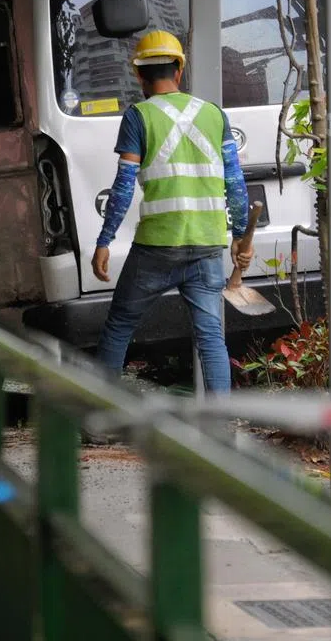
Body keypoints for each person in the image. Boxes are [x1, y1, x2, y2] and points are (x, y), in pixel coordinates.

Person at [90, 30, 252, 394]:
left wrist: (105, 239)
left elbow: (123, 185)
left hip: (156, 249)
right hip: (207, 245)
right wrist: (241, 235)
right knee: (211, 338)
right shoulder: (214, 115)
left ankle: (101, 422)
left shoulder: (138, 117)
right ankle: (221, 430)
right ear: (179, 70)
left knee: (119, 325)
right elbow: (235, 184)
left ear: (139, 76)